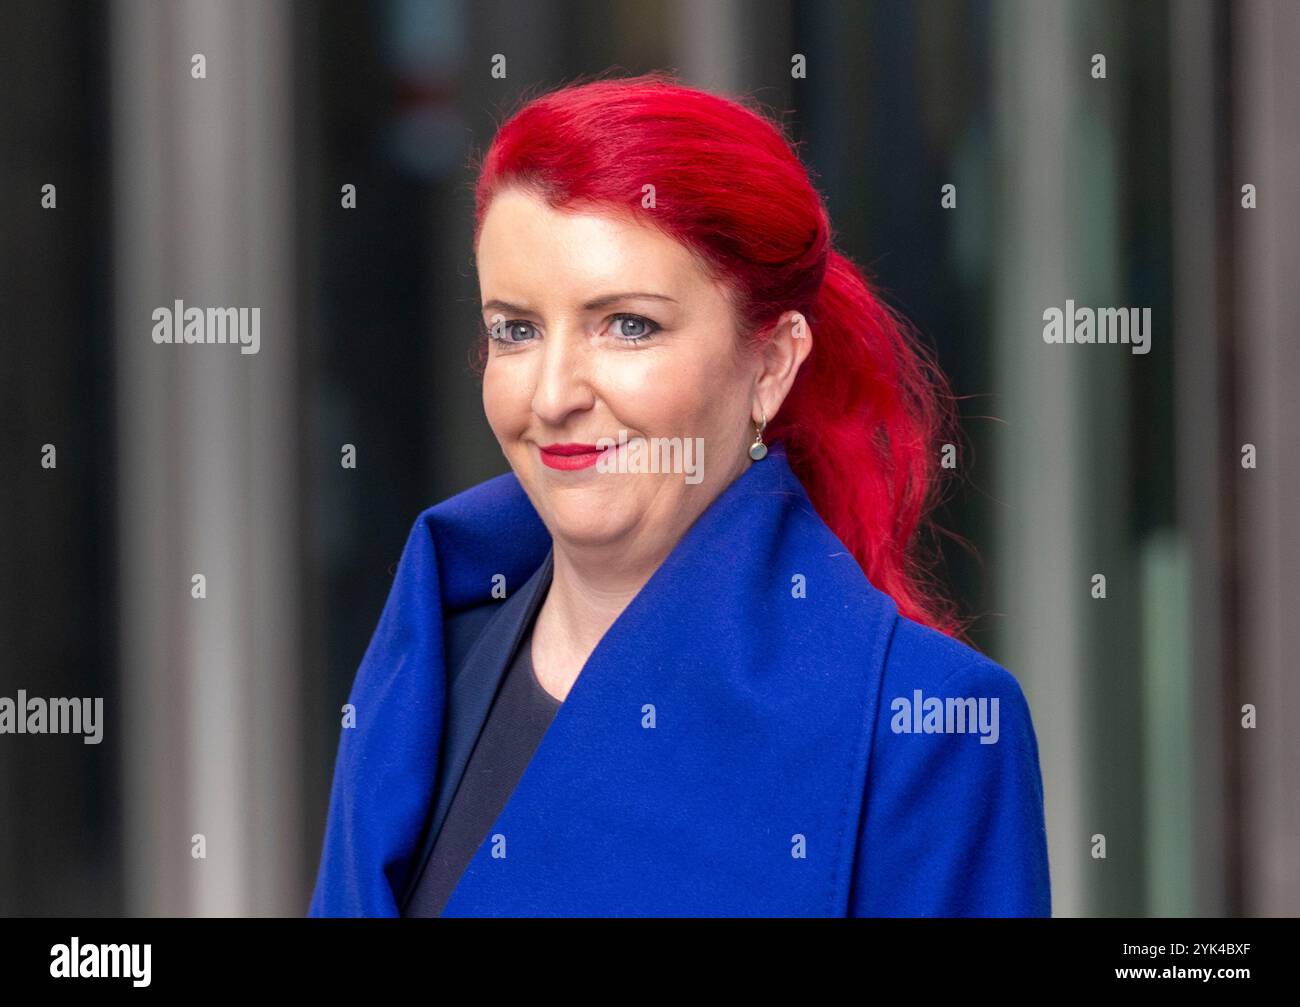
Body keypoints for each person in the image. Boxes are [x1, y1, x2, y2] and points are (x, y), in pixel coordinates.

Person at [308, 71, 1050, 917]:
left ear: (771, 364)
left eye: (628, 325)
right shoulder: (430, 648)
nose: (552, 395)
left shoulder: (927, 728)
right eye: (516, 329)